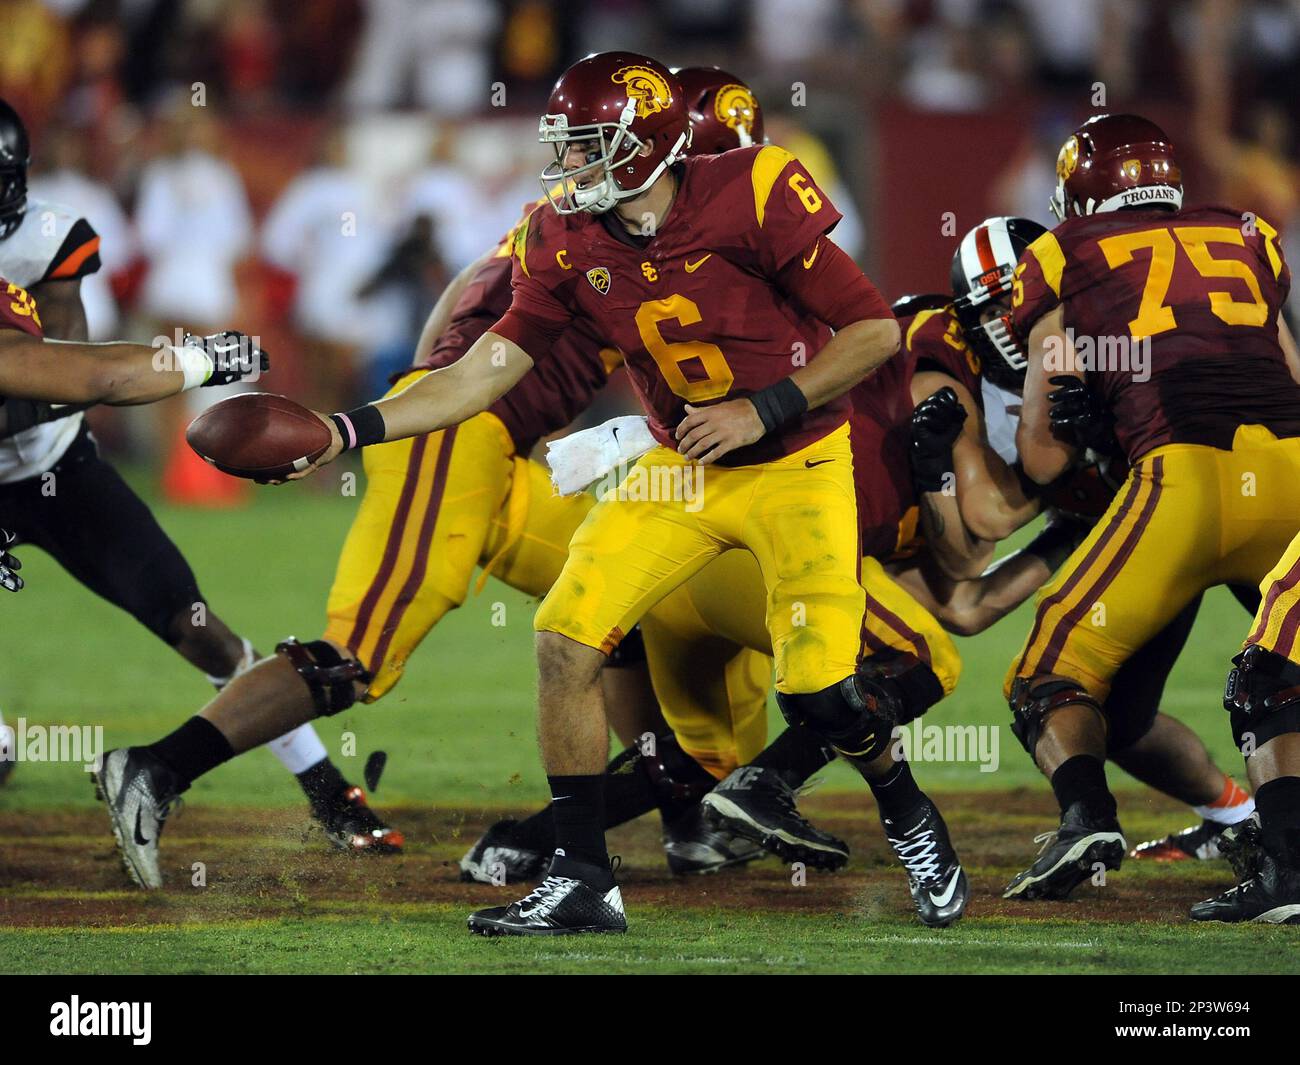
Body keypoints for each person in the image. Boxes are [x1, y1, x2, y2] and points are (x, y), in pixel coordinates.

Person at [0, 100, 397, 856]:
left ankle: (324, 788)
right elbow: (84, 377)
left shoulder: (49, 236)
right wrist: (168, 366)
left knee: (195, 626)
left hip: (56, 466)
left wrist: (145, 371)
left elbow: (66, 373)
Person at [1000, 113, 1300, 903]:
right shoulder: (1248, 235)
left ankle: (1088, 818)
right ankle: (1288, 866)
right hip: (1293, 474)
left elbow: (1041, 453)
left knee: (1049, 674)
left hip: (1184, 480)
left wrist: (1097, 423)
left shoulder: (1061, 253)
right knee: (1279, 675)